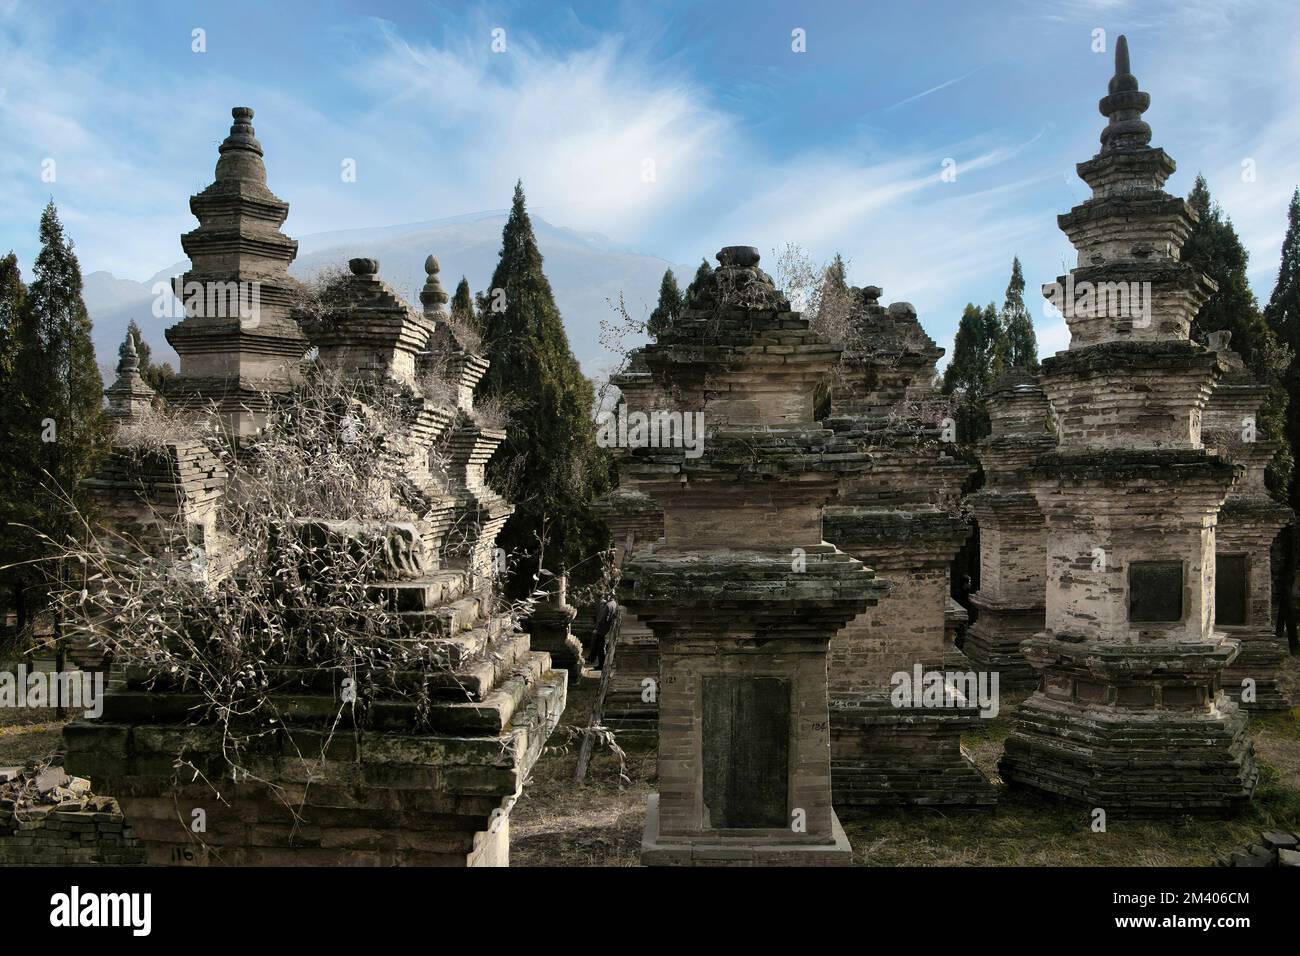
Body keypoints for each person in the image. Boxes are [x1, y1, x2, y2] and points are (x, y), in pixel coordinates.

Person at [589, 592, 619, 670]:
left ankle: (601, 665)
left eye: (606, 596)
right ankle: (600, 663)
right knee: (602, 647)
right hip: (608, 628)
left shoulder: (608, 606)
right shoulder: (614, 604)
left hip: (602, 630)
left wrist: (597, 628)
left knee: (601, 648)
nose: (605, 597)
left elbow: (602, 619)